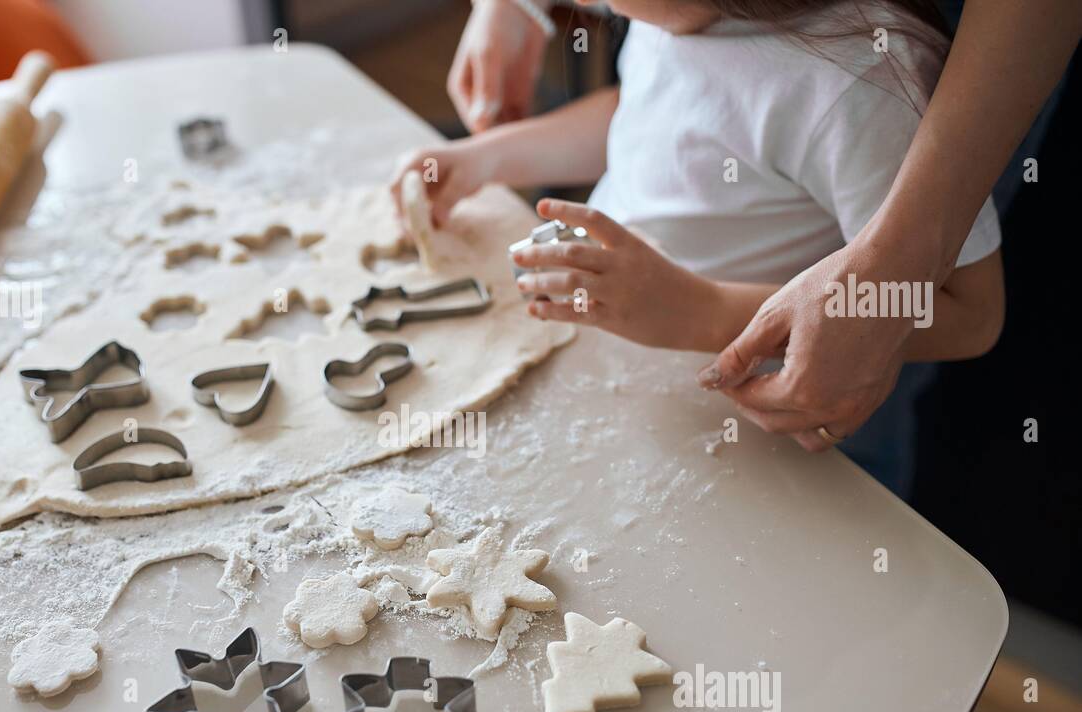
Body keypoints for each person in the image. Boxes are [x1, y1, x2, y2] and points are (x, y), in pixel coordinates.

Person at [438, 0, 1081, 488]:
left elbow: (971, 315)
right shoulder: (676, 17)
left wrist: (699, 310)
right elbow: (663, 121)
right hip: (642, 401)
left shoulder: (862, 83)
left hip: (780, 445)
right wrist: (488, 158)